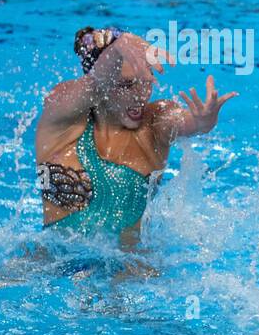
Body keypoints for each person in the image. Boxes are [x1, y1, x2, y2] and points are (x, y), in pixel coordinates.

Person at [35, 26, 237, 243]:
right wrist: (118, 48)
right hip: (53, 262)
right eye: (126, 85)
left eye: (146, 80)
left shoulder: (154, 123)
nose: (140, 95)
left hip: (129, 269)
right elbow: (94, 82)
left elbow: (184, 122)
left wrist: (201, 121)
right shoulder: (61, 120)